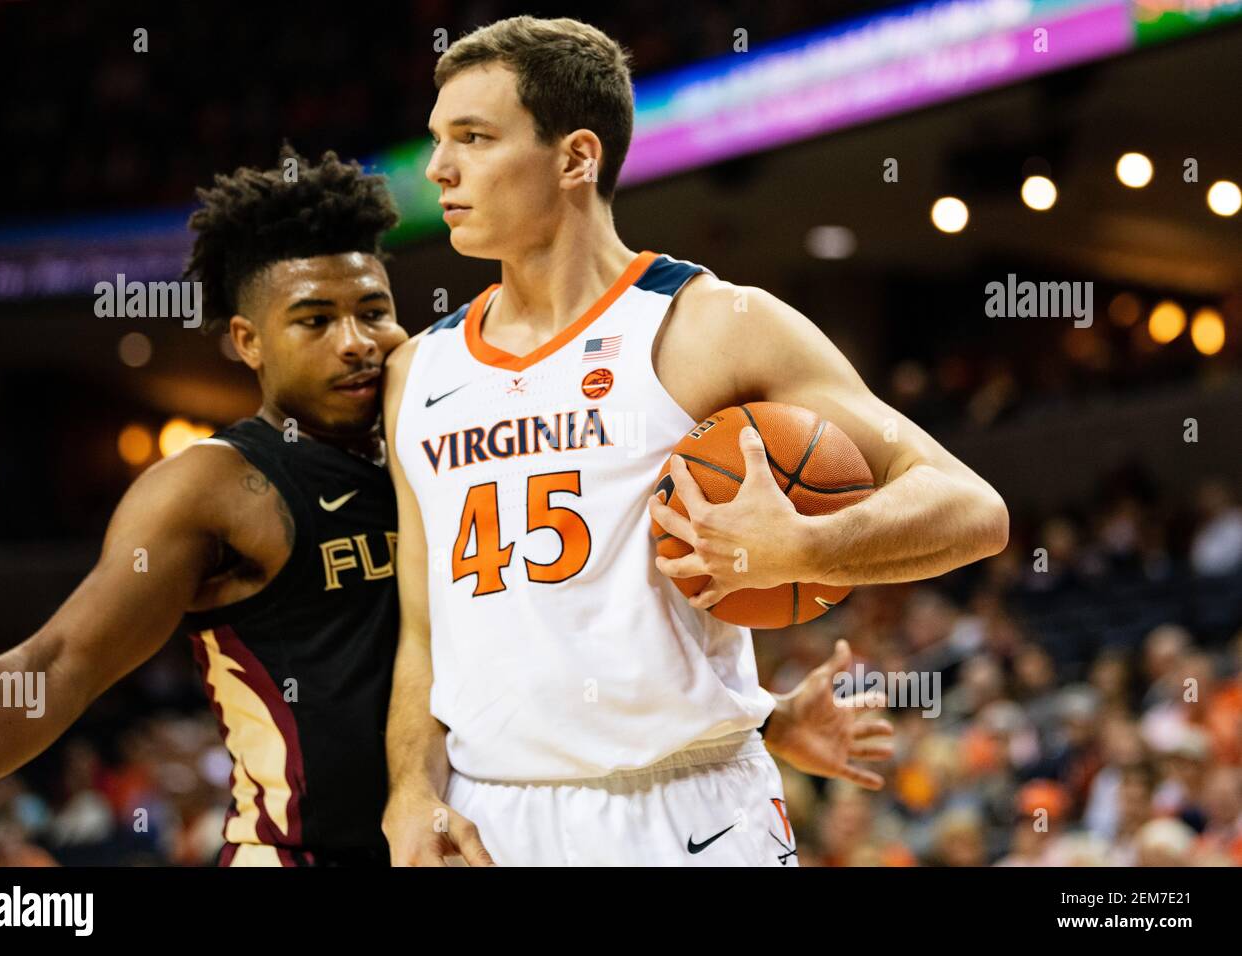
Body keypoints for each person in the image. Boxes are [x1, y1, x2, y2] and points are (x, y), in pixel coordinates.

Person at [382, 16, 1004, 866]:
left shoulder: (713, 326)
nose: (438, 168)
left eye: (474, 138)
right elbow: (422, 633)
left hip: (691, 810)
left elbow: (973, 509)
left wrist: (810, 546)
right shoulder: (417, 371)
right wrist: (411, 790)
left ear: (576, 157)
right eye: (438, 140)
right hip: (491, 818)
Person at [0, 149, 407, 866]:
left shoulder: (438, 445)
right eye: (314, 320)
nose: (355, 343)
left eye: (373, 312)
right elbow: (60, 663)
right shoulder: (213, 483)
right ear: (248, 342)